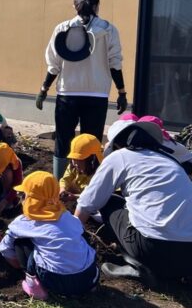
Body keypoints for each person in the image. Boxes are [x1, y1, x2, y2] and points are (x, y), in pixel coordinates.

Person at [75, 121, 192, 282]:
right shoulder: (171, 162)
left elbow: (88, 202)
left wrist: (71, 236)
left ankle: (137, 264)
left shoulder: (121, 156)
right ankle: (174, 272)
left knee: (109, 202)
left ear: (117, 144)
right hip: (188, 256)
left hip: (151, 250)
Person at [36, 0, 126, 179]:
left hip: (67, 93)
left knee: (63, 140)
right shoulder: (109, 30)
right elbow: (114, 63)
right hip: (97, 95)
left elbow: (54, 64)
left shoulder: (62, 28)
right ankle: (89, 185)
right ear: (96, 6)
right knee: (90, 143)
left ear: (74, 6)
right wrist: (121, 92)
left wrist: (44, 89)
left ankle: (59, 183)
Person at [0, 171, 99, 300]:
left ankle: (34, 285)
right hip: (88, 277)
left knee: (21, 243)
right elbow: (79, 229)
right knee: (80, 238)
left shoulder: (22, 223)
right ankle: (87, 288)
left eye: (23, 195)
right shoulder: (67, 216)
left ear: (30, 199)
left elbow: (4, 249)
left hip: (56, 281)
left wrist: (17, 265)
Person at [59, 134, 102, 204]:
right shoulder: (73, 165)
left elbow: (95, 195)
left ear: (92, 159)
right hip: (81, 193)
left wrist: (75, 197)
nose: (75, 163)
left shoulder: (100, 173)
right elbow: (65, 180)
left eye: (80, 159)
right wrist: (62, 190)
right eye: (73, 158)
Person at [0, 142, 24, 216]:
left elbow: (17, 185)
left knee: (8, 174)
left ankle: (5, 195)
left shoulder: (15, 162)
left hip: (4, 184)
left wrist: (5, 201)